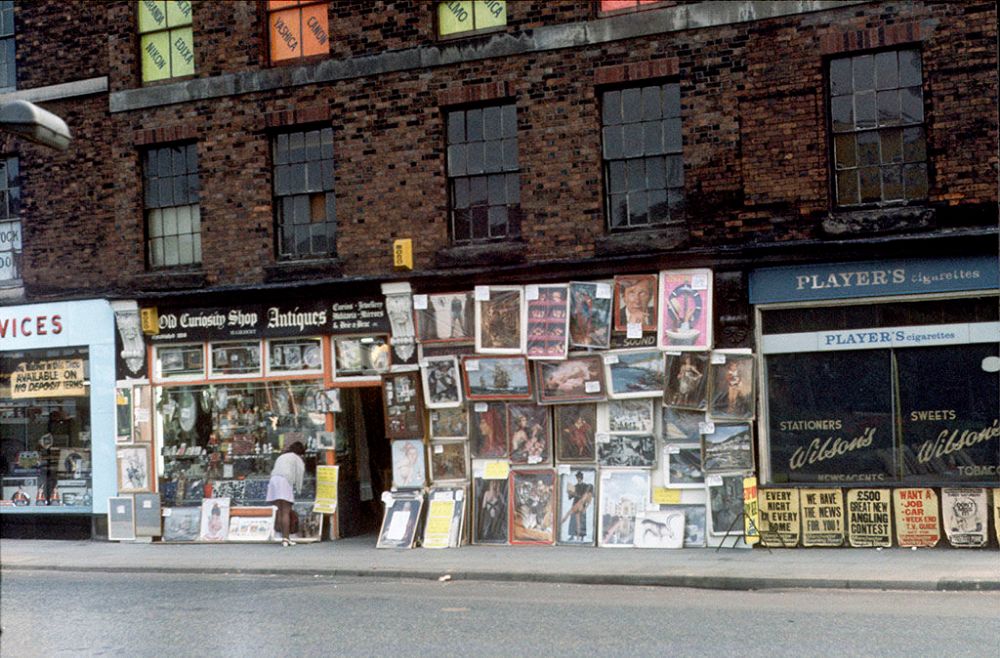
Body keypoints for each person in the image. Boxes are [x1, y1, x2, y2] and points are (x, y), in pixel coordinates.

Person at [267, 441, 306, 546]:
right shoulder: (296, 458)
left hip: (274, 480)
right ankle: (286, 538)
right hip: (284, 481)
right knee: (286, 512)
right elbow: (300, 476)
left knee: (280, 511)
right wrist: (299, 490)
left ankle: (281, 537)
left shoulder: (282, 456)